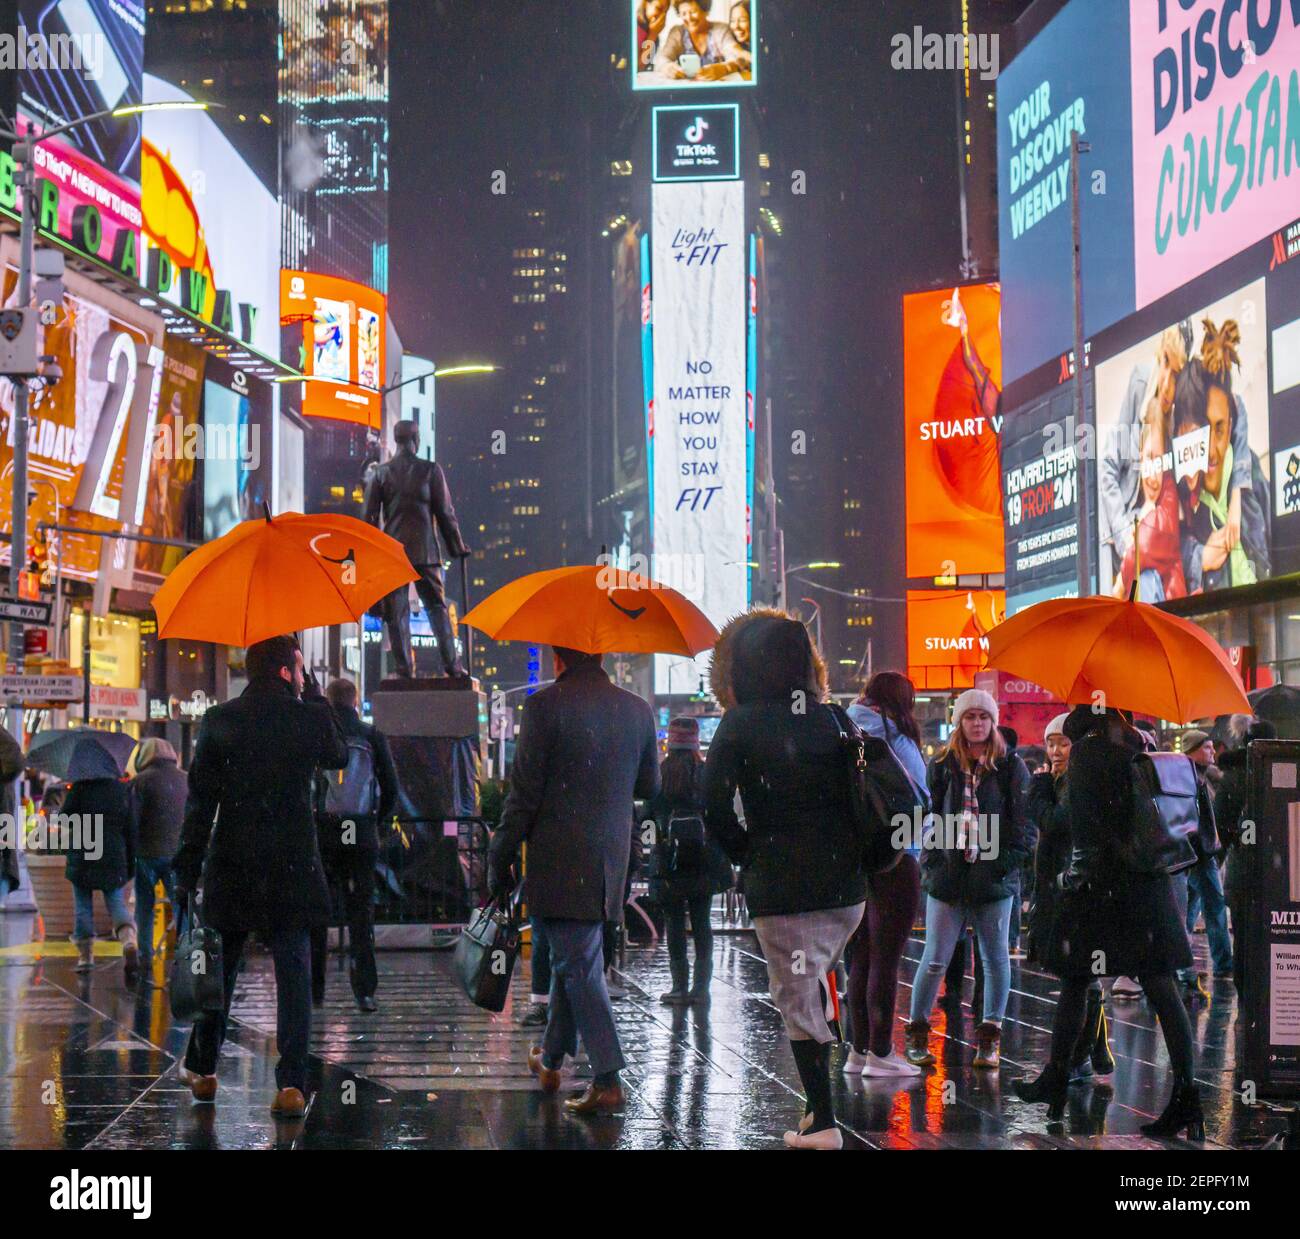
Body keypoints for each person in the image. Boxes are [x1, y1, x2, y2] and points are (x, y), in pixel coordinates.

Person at [703, 610, 867, 1149]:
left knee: (797, 998)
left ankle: (823, 1122)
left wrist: (746, 854)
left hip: (783, 889)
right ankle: (815, 1109)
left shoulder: (740, 723)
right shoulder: (833, 718)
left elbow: (714, 806)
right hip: (846, 889)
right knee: (818, 985)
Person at [173, 634, 348, 1116]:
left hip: (233, 862)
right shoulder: (308, 716)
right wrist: (313, 691)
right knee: (293, 971)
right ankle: (290, 1083)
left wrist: (187, 867)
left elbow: (201, 801)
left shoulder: (220, 720)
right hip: (291, 863)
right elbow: (339, 753)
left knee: (221, 970)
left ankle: (204, 1070)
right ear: (288, 670)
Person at [1014, 707, 1203, 1139]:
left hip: (1104, 893)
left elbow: (1085, 836)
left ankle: (1057, 1078)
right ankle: (1188, 1099)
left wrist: (1066, 882)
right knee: (1161, 988)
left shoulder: (1088, 755)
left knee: (1076, 979)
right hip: (1150, 887)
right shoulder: (1142, 747)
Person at [489, 646, 659, 1116]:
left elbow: (523, 796)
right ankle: (549, 1058)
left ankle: (607, 1078)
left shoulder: (544, 706)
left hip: (560, 860)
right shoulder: (637, 709)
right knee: (577, 957)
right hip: (612, 860)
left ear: (558, 659)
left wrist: (499, 853)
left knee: (580, 964)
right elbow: (650, 788)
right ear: (601, 654)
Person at [905, 690, 1030, 1071]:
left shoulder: (1011, 767)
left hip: (993, 881)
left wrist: (1002, 866)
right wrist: (933, 865)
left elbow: (1023, 828)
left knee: (994, 961)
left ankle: (990, 1037)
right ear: (959, 722)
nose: (977, 723)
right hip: (949, 879)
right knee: (934, 960)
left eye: (983, 716)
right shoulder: (941, 764)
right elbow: (923, 818)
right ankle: (918, 1032)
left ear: (993, 722)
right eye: (970, 716)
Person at [842, 672, 928, 1077]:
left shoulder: (847, 728)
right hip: (899, 858)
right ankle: (881, 1052)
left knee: (861, 954)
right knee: (887, 958)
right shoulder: (898, 739)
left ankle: (858, 1050)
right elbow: (921, 799)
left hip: (860, 857)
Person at [1025, 713, 1114, 1081]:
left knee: (1078, 977)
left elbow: (1056, 823)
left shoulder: (1072, 783)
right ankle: (1094, 1050)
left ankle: (1077, 1060)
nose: (1056, 751)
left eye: (1063, 742)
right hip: (1061, 888)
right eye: (1050, 743)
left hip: (1076, 891)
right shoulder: (1061, 780)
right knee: (1079, 977)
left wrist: (1038, 792)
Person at [310, 678, 399, 1012]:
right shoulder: (372, 736)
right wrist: (376, 823)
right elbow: (391, 787)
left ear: (330, 702)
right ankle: (365, 991)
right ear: (355, 700)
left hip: (326, 834)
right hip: (360, 833)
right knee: (361, 914)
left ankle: (315, 989)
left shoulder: (321, 735)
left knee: (319, 911)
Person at [363, 419, 471, 678]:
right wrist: (456, 546)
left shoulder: (381, 473)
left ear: (397, 440)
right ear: (416, 439)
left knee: (397, 613)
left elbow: (368, 520)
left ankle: (404, 669)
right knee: (436, 607)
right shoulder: (431, 471)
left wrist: (371, 557)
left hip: (394, 553)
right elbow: (446, 513)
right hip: (424, 552)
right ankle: (452, 666)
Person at [1175, 320, 1270, 593]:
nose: (1211, 448)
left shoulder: (1250, 474)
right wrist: (1198, 558)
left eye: (1219, 428)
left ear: (1230, 426)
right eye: (1203, 431)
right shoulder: (1184, 492)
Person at [649, 716, 731, 1005]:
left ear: (670, 743)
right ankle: (701, 988)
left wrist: (657, 844)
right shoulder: (707, 774)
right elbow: (721, 813)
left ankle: (679, 986)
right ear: (696, 742)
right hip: (702, 860)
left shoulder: (659, 775)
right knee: (701, 924)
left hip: (669, 861)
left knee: (673, 924)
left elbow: (648, 818)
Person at [62, 739, 139, 981]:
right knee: (116, 903)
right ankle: (128, 940)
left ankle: (86, 957)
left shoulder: (78, 790)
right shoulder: (120, 790)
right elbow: (131, 827)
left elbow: (64, 819)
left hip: (84, 853)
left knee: (82, 906)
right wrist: (130, 860)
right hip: (113, 854)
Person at [1214, 715, 1275, 993]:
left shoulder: (1231, 778)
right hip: (1279, 875)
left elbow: (1221, 831)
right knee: (1276, 937)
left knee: (1244, 938)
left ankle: (1246, 999)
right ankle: (1271, 996)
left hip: (1242, 873)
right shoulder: (1281, 774)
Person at [130, 738, 188, 984]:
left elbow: (132, 818)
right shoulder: (186, 778)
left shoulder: (140, 782)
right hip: (177, 854)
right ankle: (185, 955)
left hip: (147, 852)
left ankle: (145, 954)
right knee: (180, 907)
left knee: (145, 905)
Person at [1177, 728, 1232, 981]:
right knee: (1214, 909)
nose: (1212, 751)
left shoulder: (1204, 777)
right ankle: (1221, 964)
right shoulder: (1188, 778)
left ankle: (1182, 965)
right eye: (1206, 747)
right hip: (1199, 855)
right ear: (1192, 751)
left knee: (1190, 911)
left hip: (1199, 854)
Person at [655, 0, 746, 81]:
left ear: (705, 11)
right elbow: (662, 58)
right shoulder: (677, 32)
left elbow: (736, 57)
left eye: (693, 12)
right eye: (683, 13)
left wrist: (724, 68)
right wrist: (666, 67)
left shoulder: (721, 30)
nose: (689, 18)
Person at [636, 0, 670, 70]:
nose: (662, 16)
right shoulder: (634, 28)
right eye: (659, 8)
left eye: (665, 12)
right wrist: (652, 35)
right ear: (646, 3)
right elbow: (638, 66)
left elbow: (647, 64)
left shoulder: (651, 31)